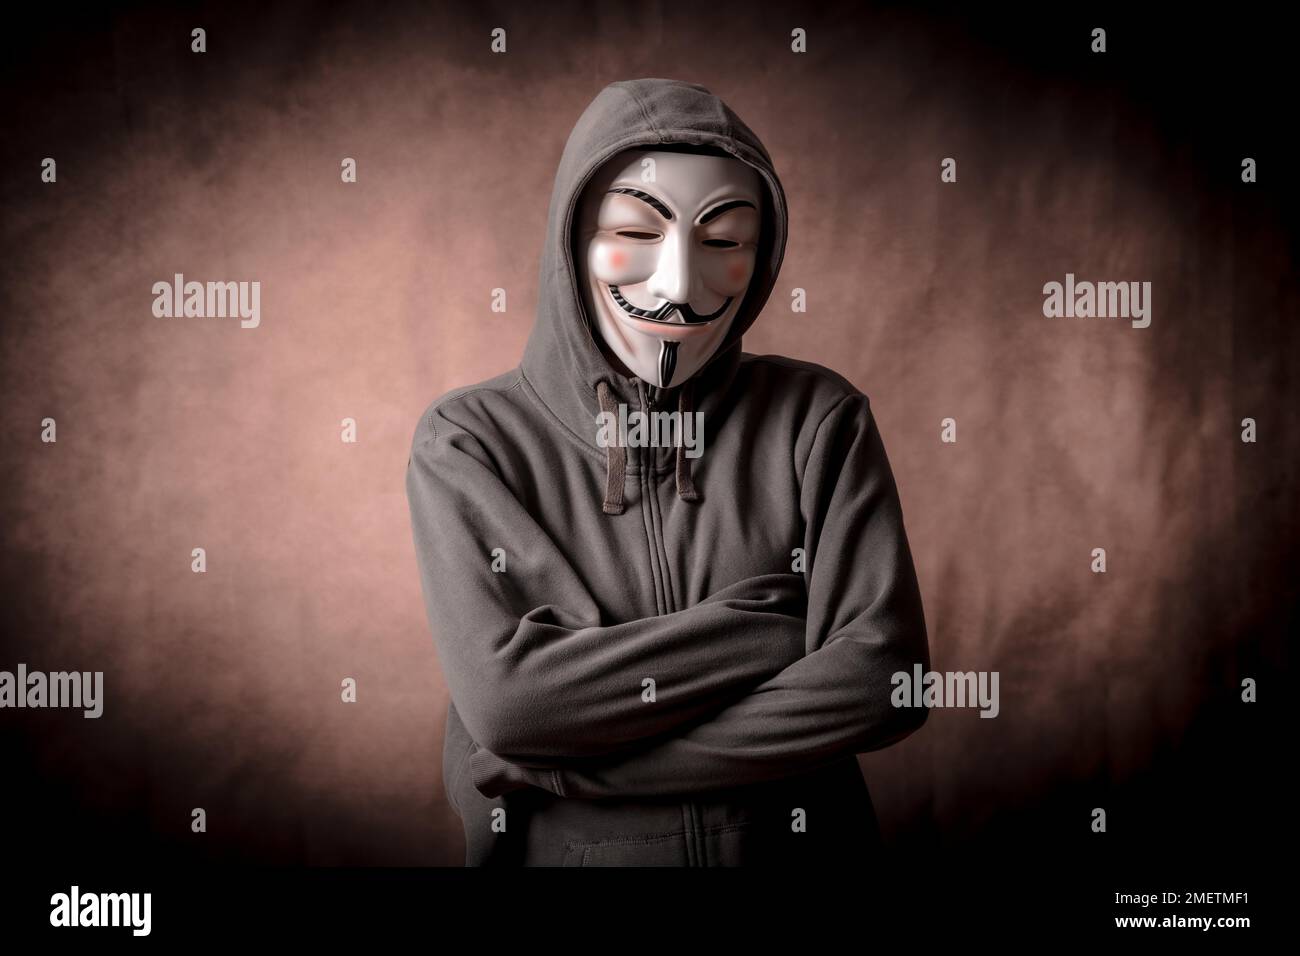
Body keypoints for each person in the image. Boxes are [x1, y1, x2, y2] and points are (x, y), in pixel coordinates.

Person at [405, 77, 930, 866]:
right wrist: (773, 628)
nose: (680, 285)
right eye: (635, 232)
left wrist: (587, 774)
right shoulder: (469, 442)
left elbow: (886, 678)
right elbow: (515, 710)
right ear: (571, 239)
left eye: (724, 241)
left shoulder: (818, 417)